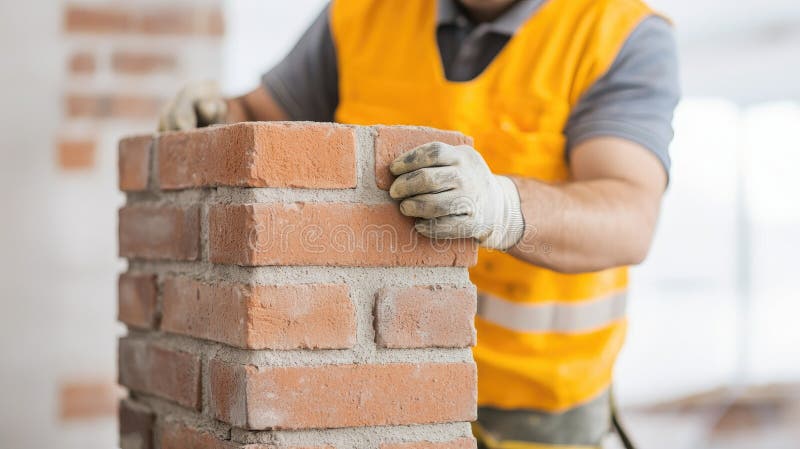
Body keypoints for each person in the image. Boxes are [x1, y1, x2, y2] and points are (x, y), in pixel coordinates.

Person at [159, 0, 680, 447]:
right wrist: (215, 116)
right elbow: (263, 115)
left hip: (534, 409)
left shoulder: (616, 31)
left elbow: (629, 214)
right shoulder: (364, 14)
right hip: (375, 387)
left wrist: (504, 206)